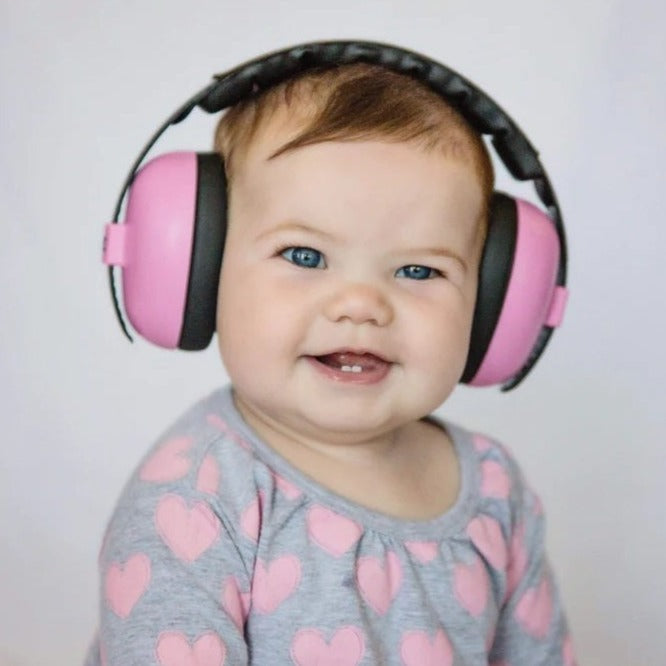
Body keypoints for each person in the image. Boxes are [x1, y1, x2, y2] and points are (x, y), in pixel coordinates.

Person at [86, 59, 576, 665]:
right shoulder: (192, 500)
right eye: (305, 256)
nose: (361, 305)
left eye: (418, 270)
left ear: (494, 305)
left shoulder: (496, 492)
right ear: (199, 267)